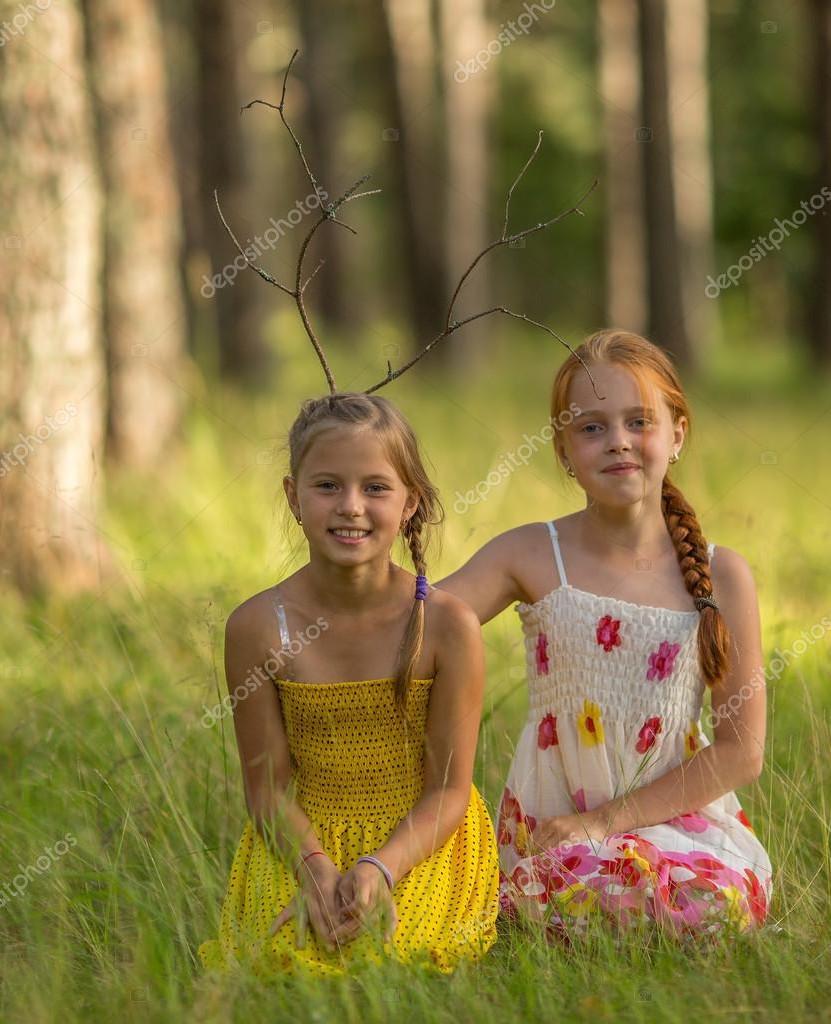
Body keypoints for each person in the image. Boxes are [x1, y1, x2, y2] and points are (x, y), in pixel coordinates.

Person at [436, 328, 773, 941]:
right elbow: (424, 623)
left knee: (710, 901)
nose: (617, 441)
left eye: (639, 421)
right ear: (564, 451)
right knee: (577, 888)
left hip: (680, 825)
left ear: (677, 434)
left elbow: (740, 751)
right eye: (591, 428)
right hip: (557, 830)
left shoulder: (722, 573)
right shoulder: (533, 554)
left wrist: (610, 822)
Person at [199, 393, 498, 976]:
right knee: (284, 960)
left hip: (419, 839)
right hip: (301, 838)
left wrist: (378, 868)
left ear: (411, 502)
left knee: (389, 958)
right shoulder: (257, 627)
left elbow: (448, 792)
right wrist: (315, 869)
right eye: (328, 486)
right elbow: (268, 790)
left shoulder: (446, 626)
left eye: (376, 488)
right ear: (293, 497)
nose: (351, 507)